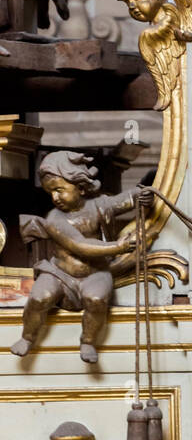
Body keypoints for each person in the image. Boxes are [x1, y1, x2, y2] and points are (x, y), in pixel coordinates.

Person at [11, 151, 149, 363]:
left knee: (96, 300)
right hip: (60, 274)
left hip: (95, 273)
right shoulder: (54, 219)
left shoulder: (99, 206)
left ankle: (87, 340)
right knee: (39, 298)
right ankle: (28, 337)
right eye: (50, 193)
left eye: (59, 190)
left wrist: (142, 195)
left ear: (81, 187)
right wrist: (118, 247)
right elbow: (81, 246)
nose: (55, 198)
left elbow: (124, 201)